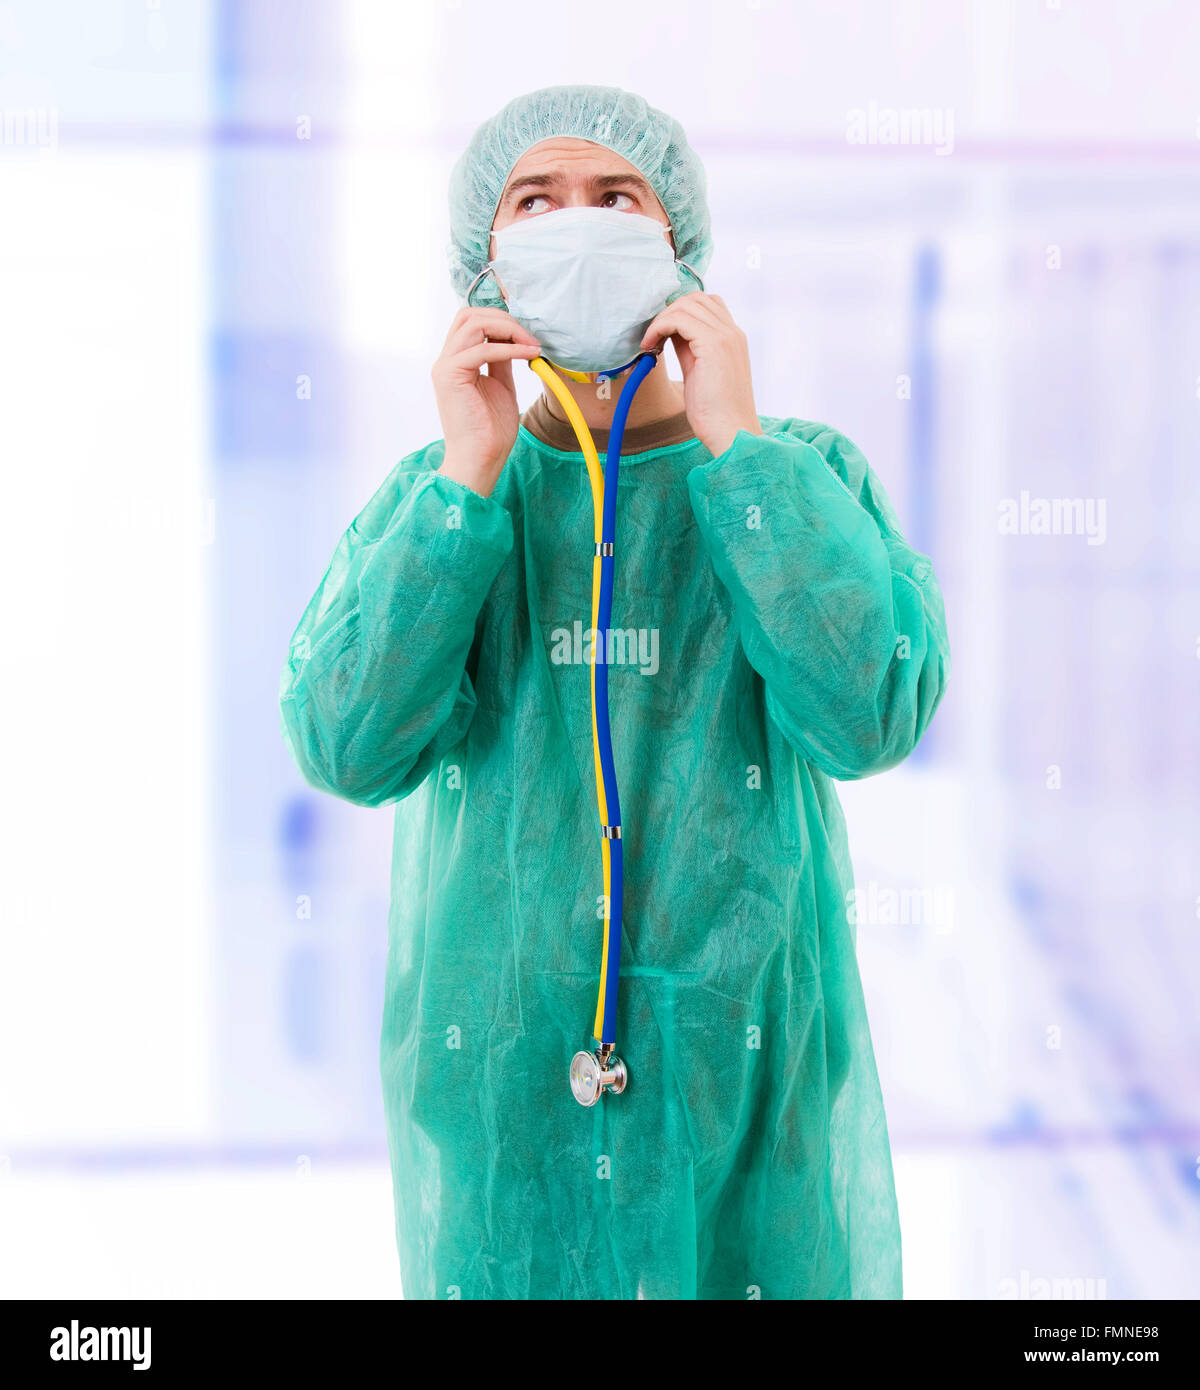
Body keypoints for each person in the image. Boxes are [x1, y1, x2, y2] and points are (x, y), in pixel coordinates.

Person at [279, 84, 949, 1301]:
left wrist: (739, 457)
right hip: (501, 1132)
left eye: (616, 198)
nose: (576, 224)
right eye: (534, 201)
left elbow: (868, 715)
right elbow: (342, 743)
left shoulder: (802, 475)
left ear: (678, 246)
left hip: (752, 1113)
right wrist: (469, 478)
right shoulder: (442, 500)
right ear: (482, 261)